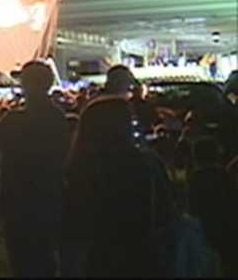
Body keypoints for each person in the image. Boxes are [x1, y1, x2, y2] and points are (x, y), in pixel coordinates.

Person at [62, 95, 176, 277]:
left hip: (97, 256)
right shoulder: (145, 163)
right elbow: (165, 212)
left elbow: (73, 221)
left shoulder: (80, 166)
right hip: (141, 254)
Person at [0, 61, 70, 278]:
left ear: (28, 84)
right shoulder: (57, 116)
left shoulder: (15, 119)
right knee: (44, 254)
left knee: (22, 257)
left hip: (18, 196)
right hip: (49, 192)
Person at [187, 138, 238, 275]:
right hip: (227, 227)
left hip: (205, 227)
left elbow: (192, 206)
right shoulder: (224, 175)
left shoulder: (195, 178)